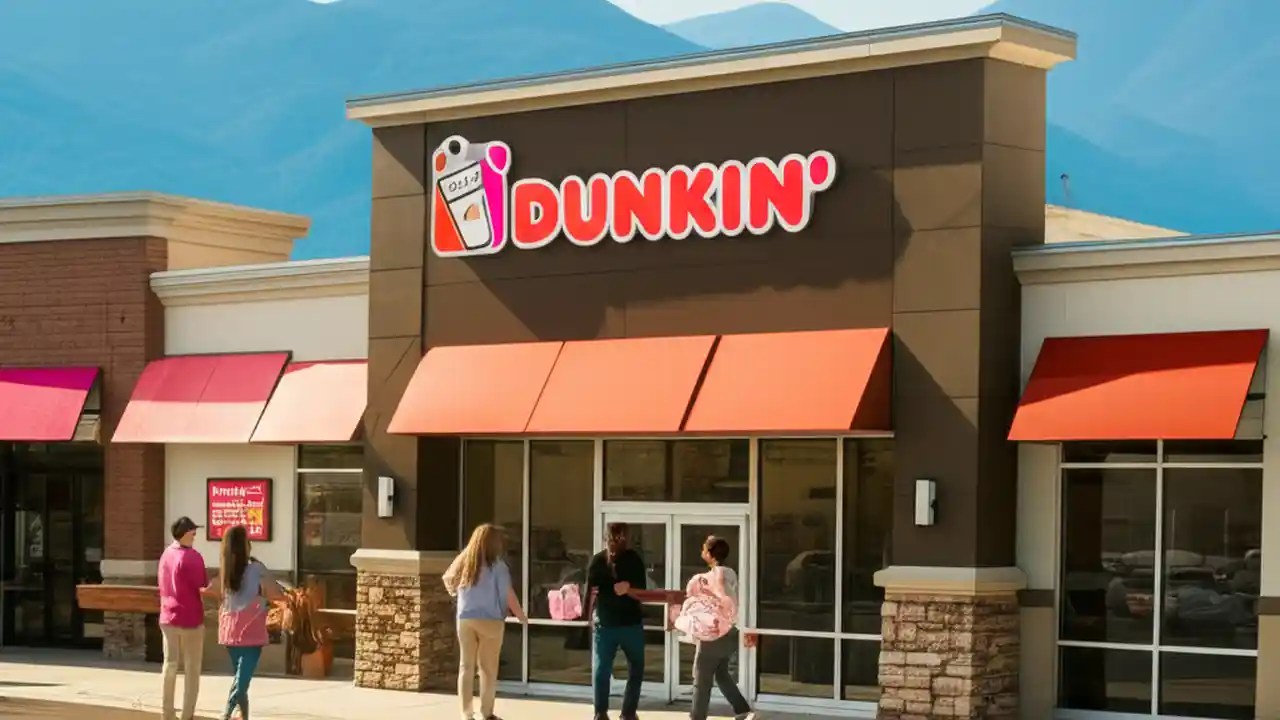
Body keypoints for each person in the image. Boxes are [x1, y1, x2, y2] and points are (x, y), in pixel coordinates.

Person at [443, 523, 528, 720]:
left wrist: (459, 595)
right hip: (490, 620)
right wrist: (521, 616)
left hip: (465, 618)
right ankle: (487, 713)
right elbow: (508, 595)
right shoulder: (498, 566)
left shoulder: (465, 562)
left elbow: (448, 578)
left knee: (466, 666)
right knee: (487, 669)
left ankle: (466, 713)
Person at [204, 525, 284, 720]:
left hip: (230, 633)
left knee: (241, 679)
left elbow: (209, 589)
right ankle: (226, 713)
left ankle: (242, 716)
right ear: (244, 546)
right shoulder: (256, 569)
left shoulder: (225, 572)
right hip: (251, 633)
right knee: (242, 681)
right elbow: (276, 593)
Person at [684, 536, 756, 720]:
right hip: (730, 633)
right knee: (721, 673)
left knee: (701, 677)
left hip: (715, 633)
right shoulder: (730, 573)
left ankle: (697, 716)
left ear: (709, 554)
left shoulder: (717, 576)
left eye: (703, 549)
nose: (702, 553)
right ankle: (742, 710)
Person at [587, 523, 647, 720]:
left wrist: (586, 616)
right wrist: (629, 589)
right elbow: (642, 594)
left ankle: (600, 713)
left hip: (606, 623)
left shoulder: (597, 560)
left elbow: (589, 594)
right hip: (629, 623)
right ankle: (628, 713)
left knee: (602, 668)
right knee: (635, 668)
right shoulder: (634, 559)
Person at [158, 516, 208, 720]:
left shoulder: (166, 555)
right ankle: (187, 715)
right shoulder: (192, 557)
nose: (195, 535)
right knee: (192, 670)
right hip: (190, 619)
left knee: (169, 665)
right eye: (193, 532)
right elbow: (203, 586)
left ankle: (167, 713)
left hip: (167, 616)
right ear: (185, 533)